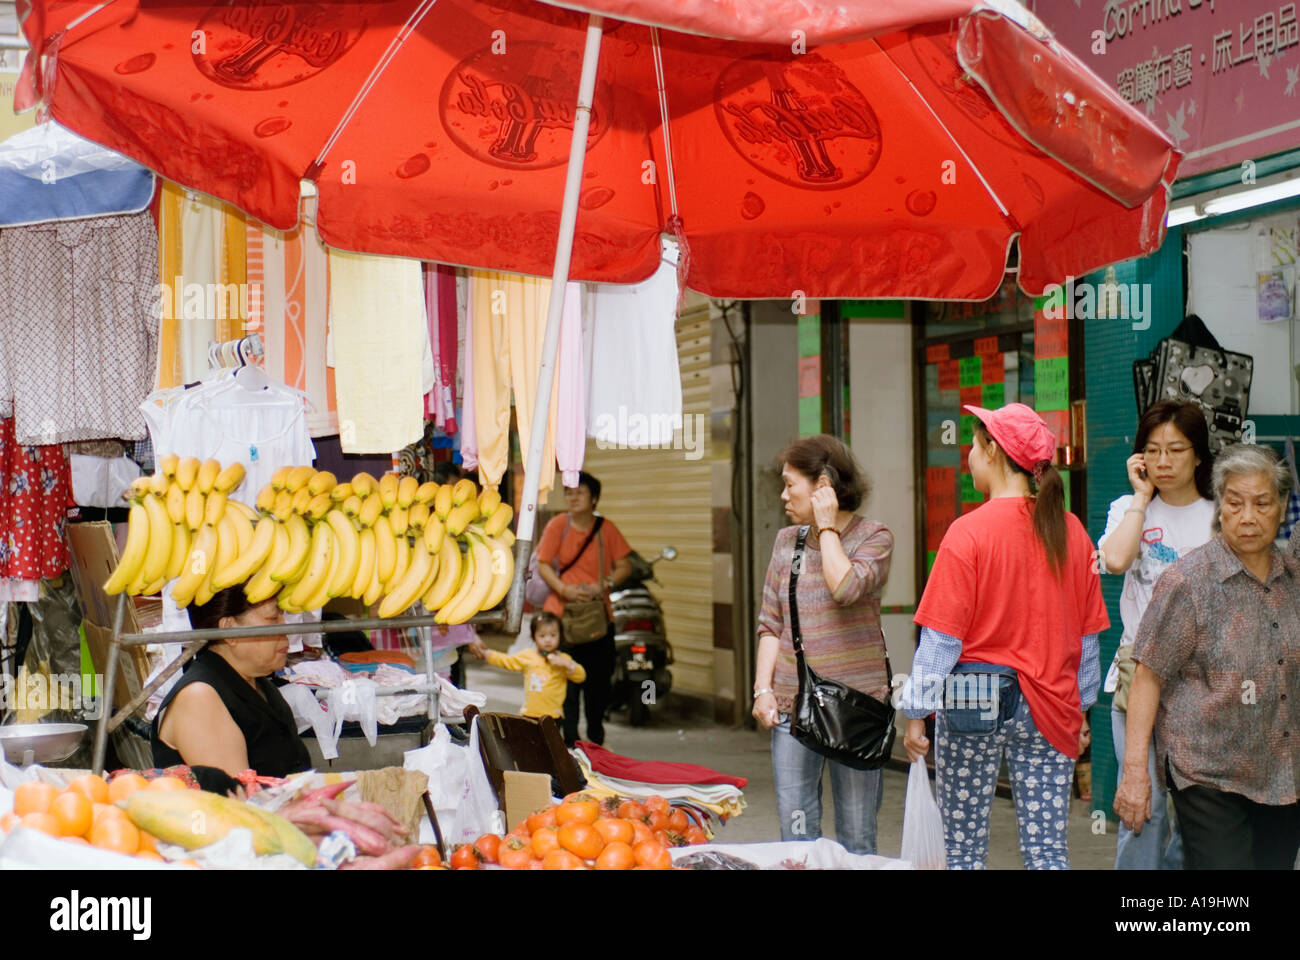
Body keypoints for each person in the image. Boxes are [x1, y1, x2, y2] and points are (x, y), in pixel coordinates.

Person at [901, 403, 1108, 870]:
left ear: (992, 450)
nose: (969, 457)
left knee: (963, 848)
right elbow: (1088, 636)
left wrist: (916, 711)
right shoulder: (1072, 531)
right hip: (1051, 702)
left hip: (973, 693)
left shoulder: (966, 533)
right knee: (1048, 850)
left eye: (973, 446)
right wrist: (1082, 708)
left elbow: (941, 641)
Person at [1115, 444, 1300, 869]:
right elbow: (1147, 675)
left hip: (1281, 772)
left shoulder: (1293, 577)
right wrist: (1135, 773)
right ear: (1221, 507)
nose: (1248, 516)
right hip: (1207, 772)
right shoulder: (1189, 581)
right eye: (1235, 503)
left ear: (1281, 507)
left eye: (1262, 503)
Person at [753, 435, 894, 855]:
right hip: (791, 707)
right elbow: (769, 623)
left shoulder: (875, 537)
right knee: (796, 838)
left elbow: (846, 587)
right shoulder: (786, 542)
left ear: (823, 486)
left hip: (855, 708)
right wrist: (762, 689)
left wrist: (827, 526)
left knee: (856, 838)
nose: (783, 495)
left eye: (790, 484)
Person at [1098, 400, 1214, 870]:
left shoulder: (1219, 514)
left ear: (1199, 455)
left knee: (1198, 815)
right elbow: (1116, 561)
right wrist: (1142, 501)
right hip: (1137, 674)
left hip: (1203, 679)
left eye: (1176, 450)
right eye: (1153, 451)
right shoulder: (1127, 508)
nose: (1163, 462)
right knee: (1140, 808)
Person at [151, 587, 310, 783]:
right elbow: (238, 799)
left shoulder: (257, 682)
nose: (285, 628)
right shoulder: (199, 698)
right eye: (272, 619)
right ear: (229, 629)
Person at [535, 471, 632, 747]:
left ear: (594, 498)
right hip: (561, 618)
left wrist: (605, 583)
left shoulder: (606, 529)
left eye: (580, 493)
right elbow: (543, 563)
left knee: (598, 682)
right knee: (565, 684)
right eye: (569, 493)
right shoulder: (557, 526)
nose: (573, 498)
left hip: (597, 619)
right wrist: (563, 589)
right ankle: (570, 744)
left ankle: (596, 739)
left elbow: (625, 564)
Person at [469, 612, 586, 720]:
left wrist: (569, 665)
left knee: (549, 743)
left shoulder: (563, 659)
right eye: (542, 635)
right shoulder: (528, 656)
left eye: (553, 635)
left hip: (553, 716)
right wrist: (487, 654)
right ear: (533, 637)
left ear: (560, 636)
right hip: (529, 713)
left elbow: (580, 676)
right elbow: (508, 661)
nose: (548, 640)